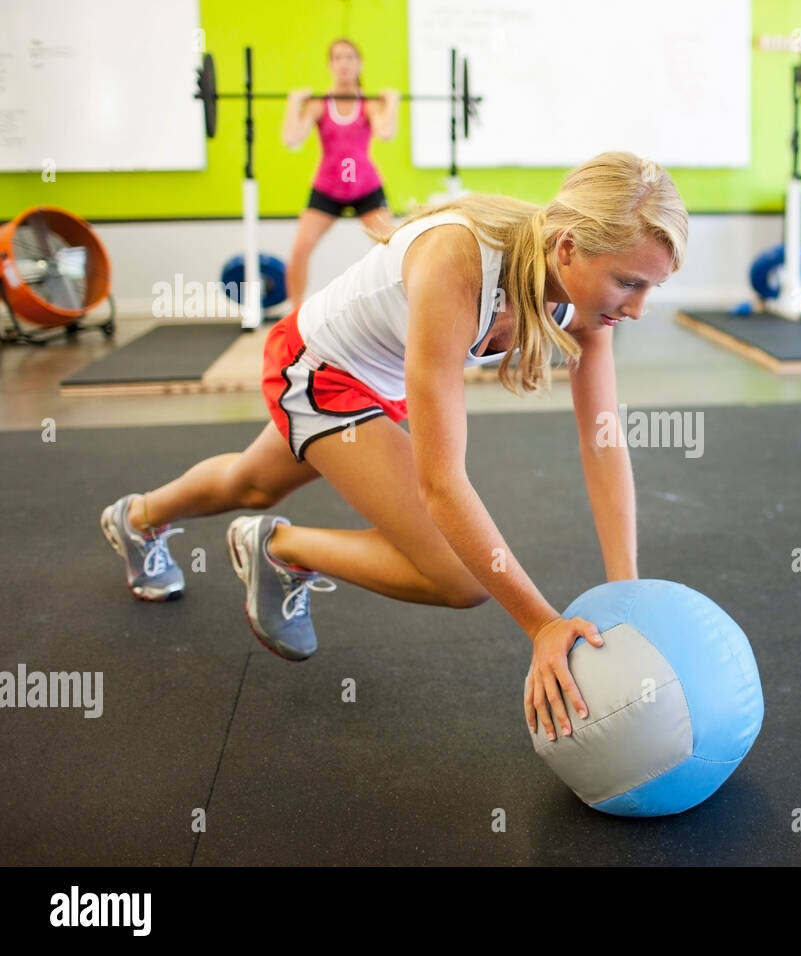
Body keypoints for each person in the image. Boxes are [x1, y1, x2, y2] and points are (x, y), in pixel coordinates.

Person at [100, 151, 688, 743]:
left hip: (382, 382)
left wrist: (626, 591)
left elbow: (602, 440)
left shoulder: (585, 298)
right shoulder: (461, 263)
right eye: (629, 283)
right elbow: (442, 484)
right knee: (462, 580)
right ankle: (281, 548)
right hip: (318, 371)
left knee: (251, 483)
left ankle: (137, 518)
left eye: (651, 287)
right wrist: (541, 626)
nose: (637, 308)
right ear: (568, 248)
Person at [282, 38, 400, 309]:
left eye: (349, 57)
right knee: (299, 251)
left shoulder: (369, 103)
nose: (344, 64)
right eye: (337, 58)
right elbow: (291, 138)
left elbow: (386, 132)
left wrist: (392, 102)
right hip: (328, 189)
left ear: (359, 63)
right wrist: (293, 102)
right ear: (330, 65)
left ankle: (394, 313)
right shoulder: (318, 104)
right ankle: (295, 315)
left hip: (366, 188)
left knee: (393, 250)